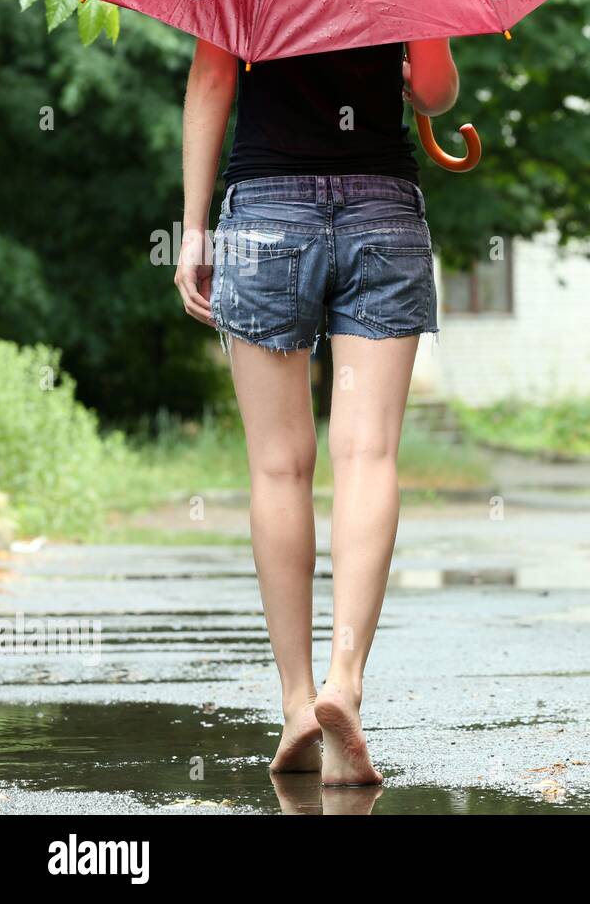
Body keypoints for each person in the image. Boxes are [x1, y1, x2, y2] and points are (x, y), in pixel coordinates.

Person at [174, 39, 460, 785]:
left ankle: (298, 700)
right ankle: (345, 680)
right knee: (367, 454)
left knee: (278, 466)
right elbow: (434, 90)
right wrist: (411, 75)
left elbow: (211, 79)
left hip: (266, 212)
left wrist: (195, 228)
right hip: (382, 214)